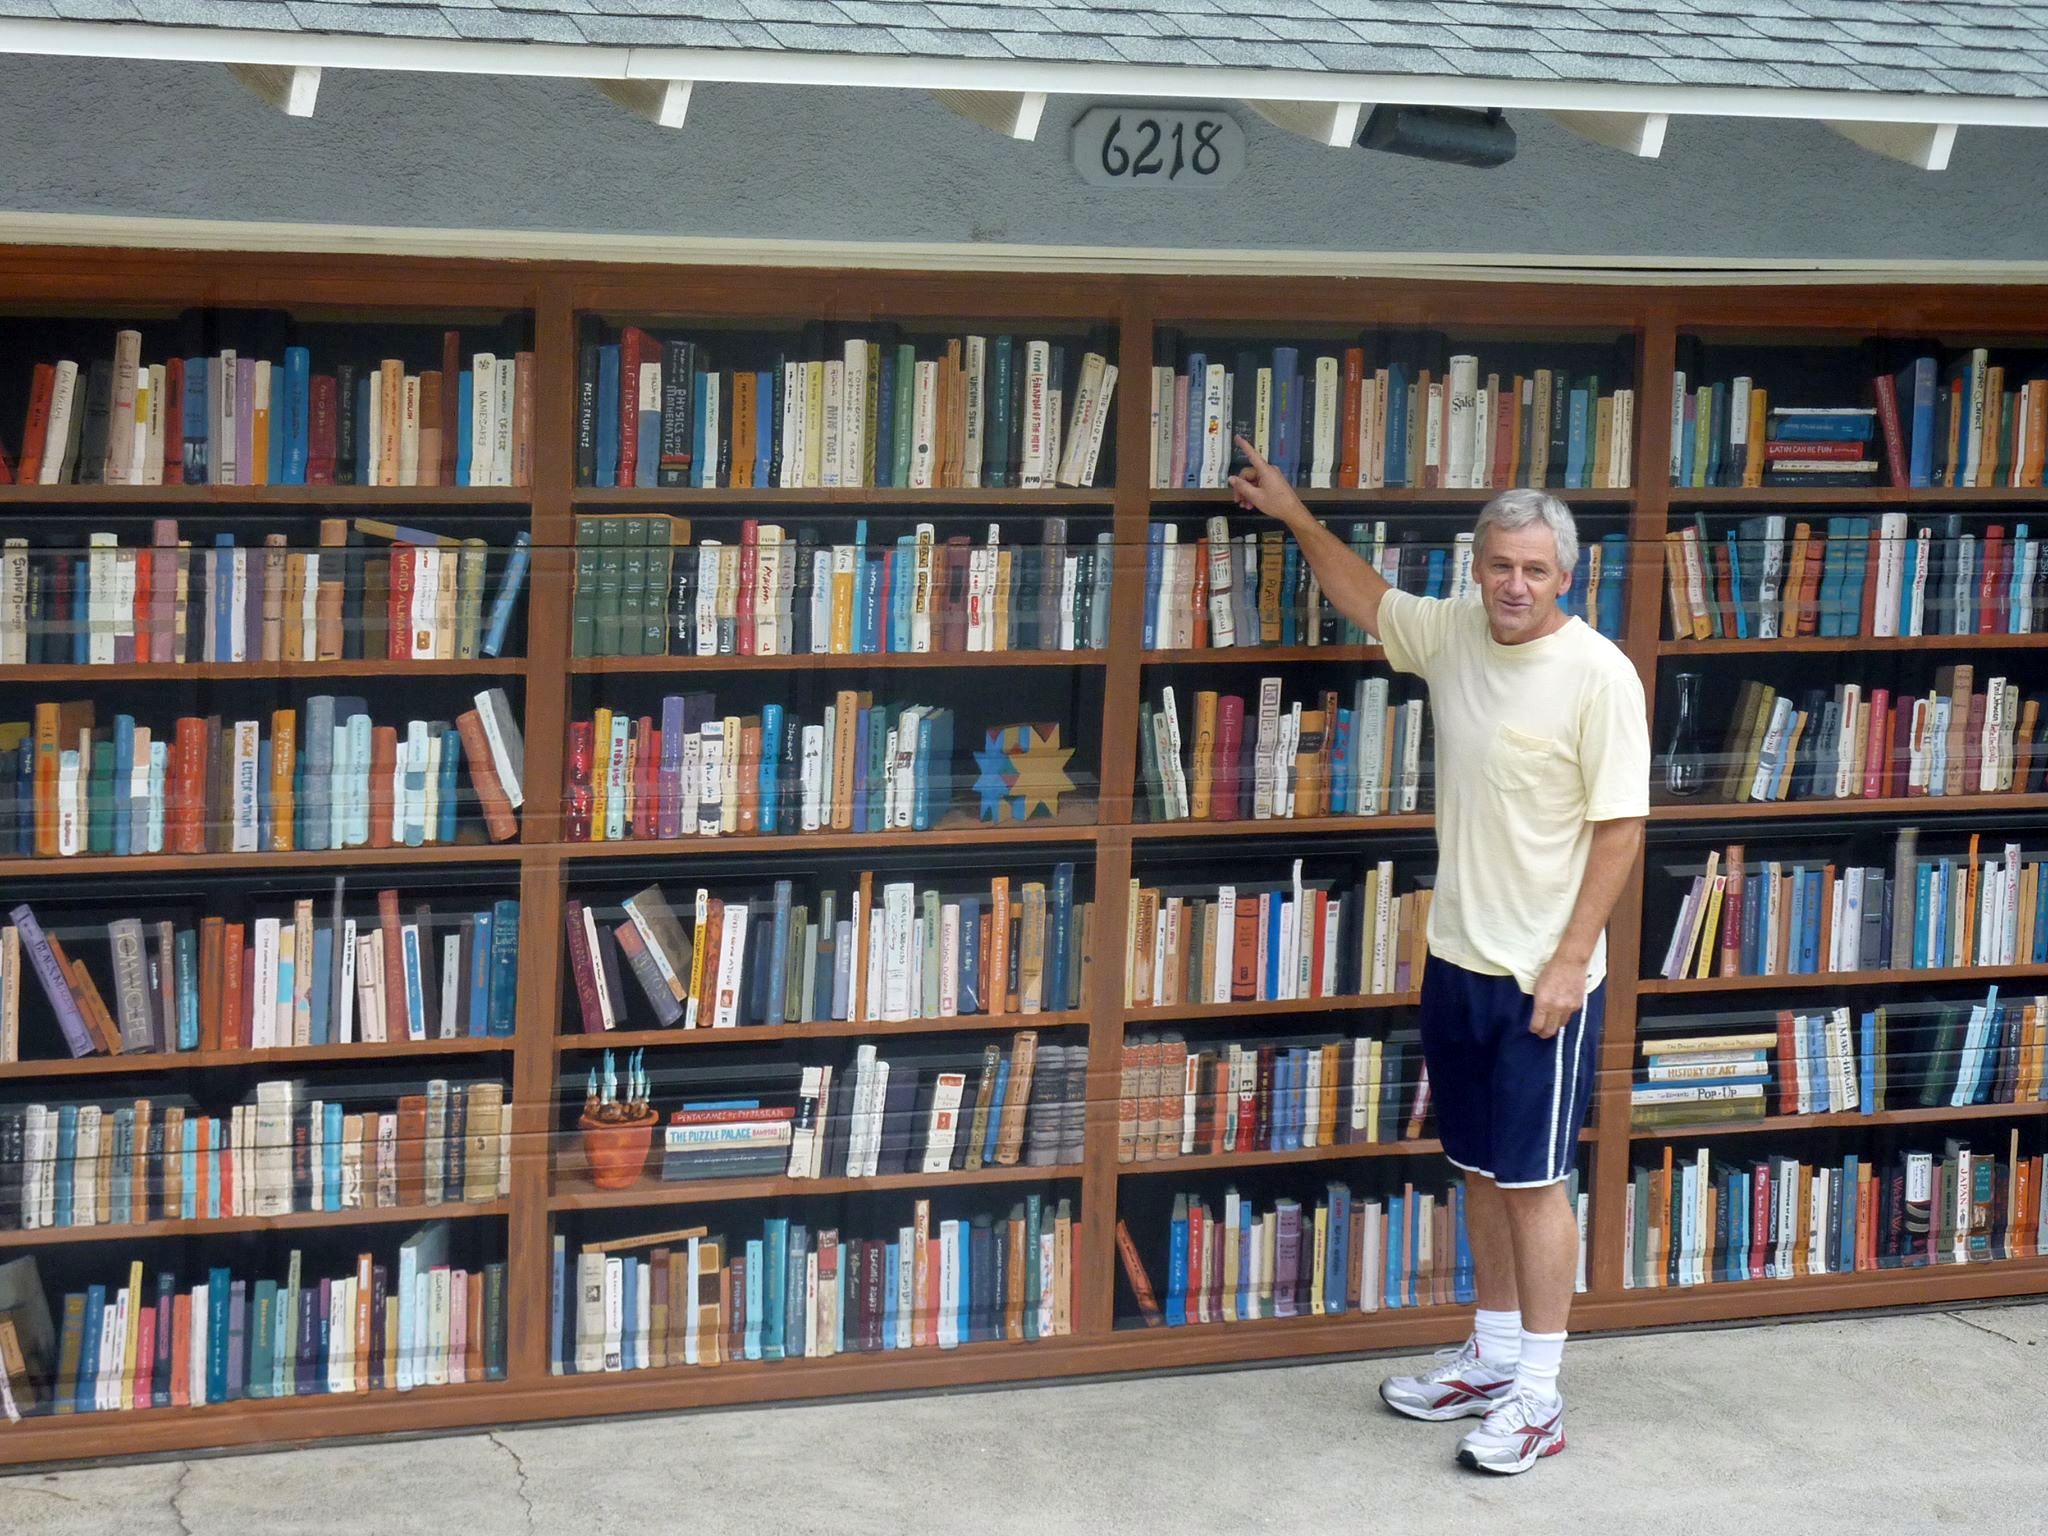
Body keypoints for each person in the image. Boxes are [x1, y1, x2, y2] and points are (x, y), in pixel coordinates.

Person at [1228, 435, 1649, 1475]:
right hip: (1456, 959)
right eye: (1498, 564)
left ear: (1566, 575)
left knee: (1533, 1181)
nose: (1513, 585)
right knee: (1474, 1167)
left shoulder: (1598, 676)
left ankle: (1539, 1398)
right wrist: (1293, 516)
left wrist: (1568, 961)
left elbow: (1620, 829)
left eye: (1534, 570)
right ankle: (1491, 1357)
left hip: (1540, 978)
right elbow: (1368, 598)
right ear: (1477, 565)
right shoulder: (1455, 633)